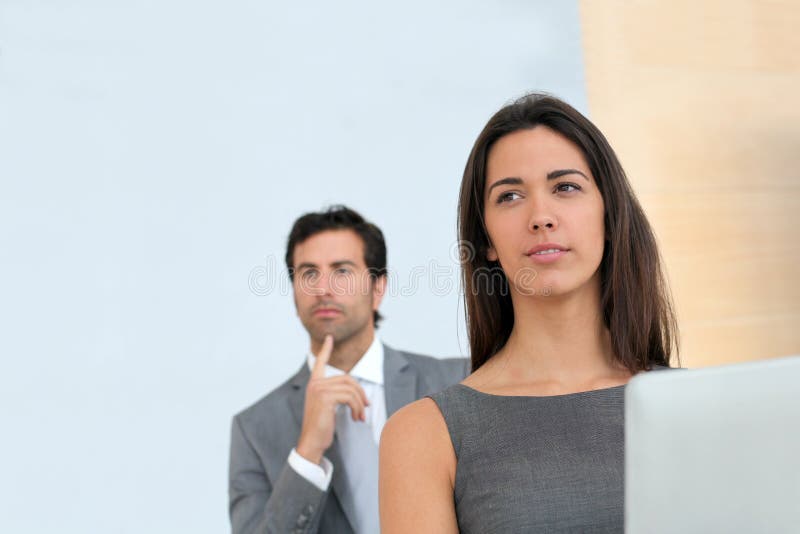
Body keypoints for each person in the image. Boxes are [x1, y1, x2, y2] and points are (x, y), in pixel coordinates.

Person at [379, 94, 678, 533]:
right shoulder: (424, 435)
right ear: (487, 241)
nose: (541, 216)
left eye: (565, 187)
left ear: (610, 215)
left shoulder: (698, 407)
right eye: (511, 196)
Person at [229, 205, 468, 534]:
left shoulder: (457, 382)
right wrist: (308, 453)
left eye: (342, 271)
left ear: (378, 289)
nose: (323, 289)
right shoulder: (254, 429)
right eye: (309, 273)